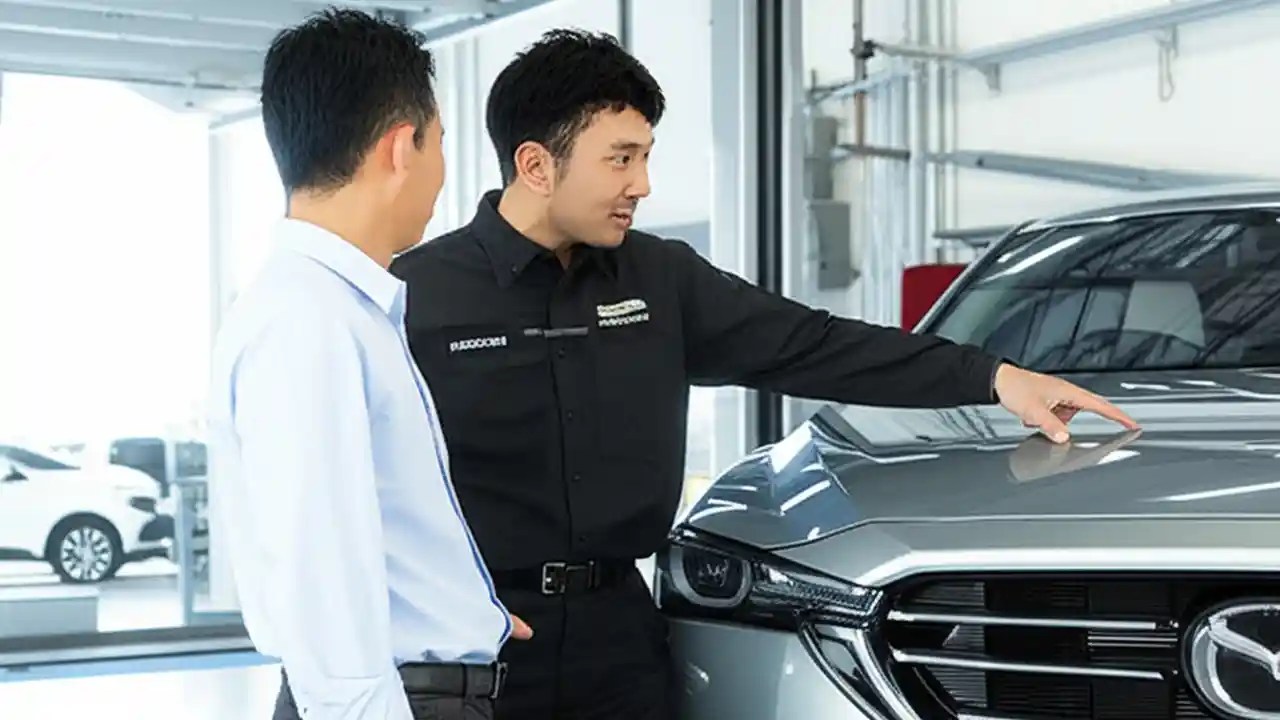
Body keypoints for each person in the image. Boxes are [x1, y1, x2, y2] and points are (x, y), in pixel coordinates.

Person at [390, 29, 1138, 720]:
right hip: (467, 647)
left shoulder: (660, 279)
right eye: (621, 158)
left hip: (620, 644)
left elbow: (814, 344)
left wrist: (995, 378)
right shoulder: (411, 296)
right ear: (535, 163)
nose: (643, 183)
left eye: (646, 155)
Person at [206, 9, 530, 720]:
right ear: (401, 147)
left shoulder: (342, 309)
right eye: (440, 142)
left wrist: (466, 613)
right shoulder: (308, 321)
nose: (445, 171)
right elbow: (317, 575)